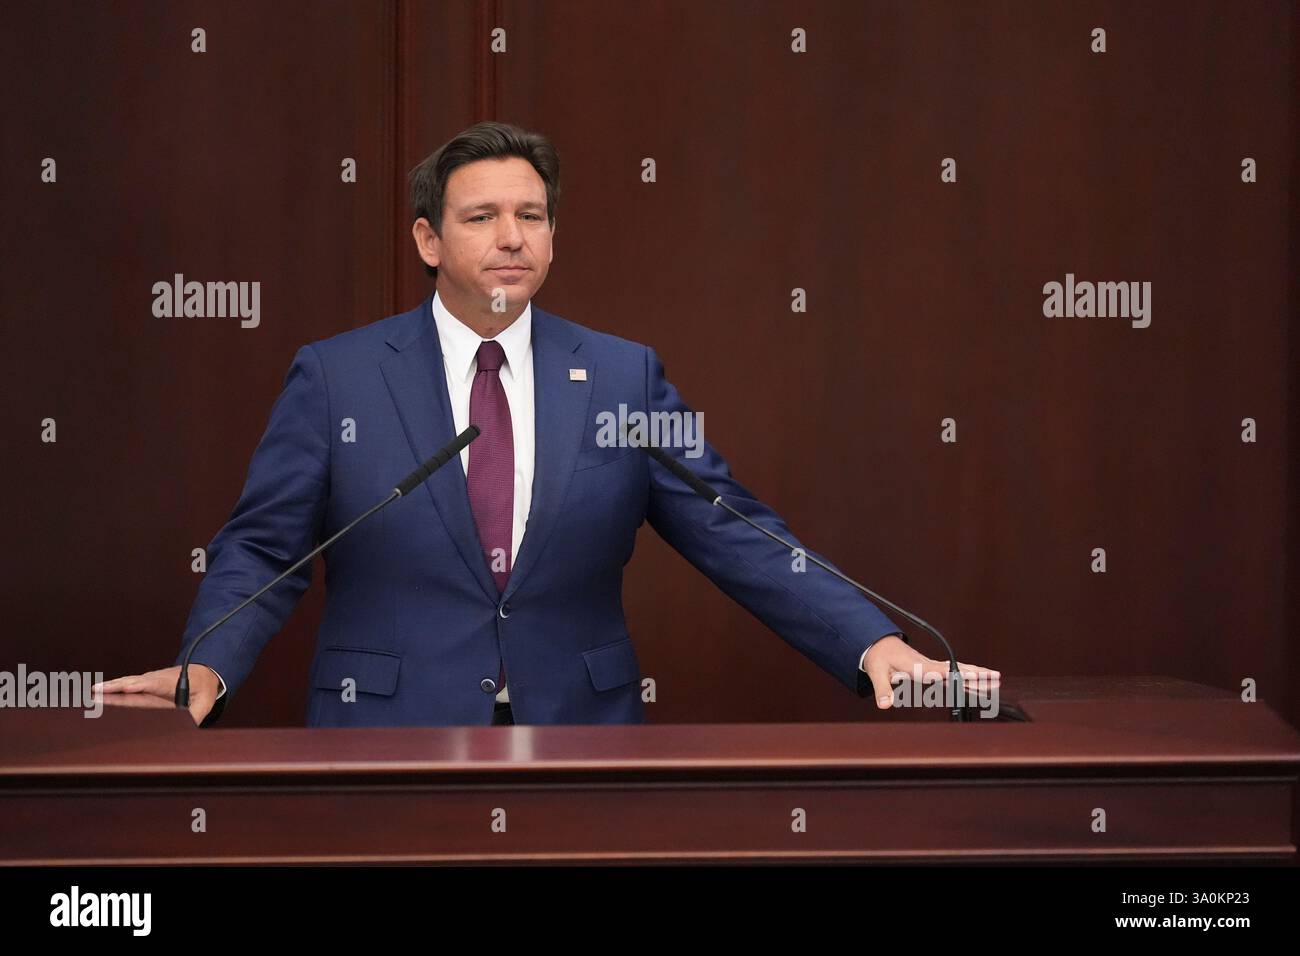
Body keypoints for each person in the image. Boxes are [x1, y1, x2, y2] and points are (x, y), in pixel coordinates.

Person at [96, 121, 998, 727]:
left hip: (580, 737)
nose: (511, 237)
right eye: (481, 216)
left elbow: (737, 531)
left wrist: (874, 642)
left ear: (555, 237)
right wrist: (205, 666)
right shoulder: (339, 377)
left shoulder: (620, 376)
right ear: (427, 241)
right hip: (384, 738)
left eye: (532, 216)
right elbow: (264, 549)